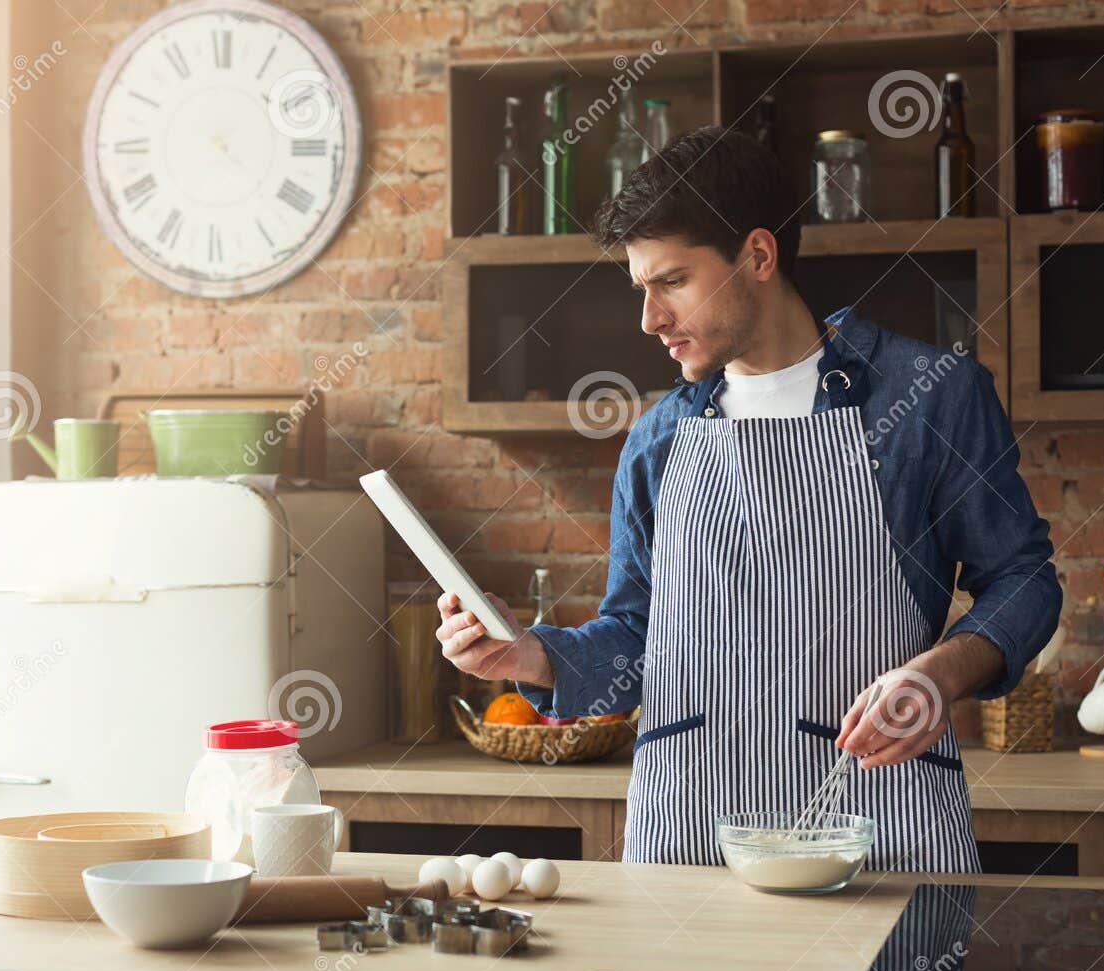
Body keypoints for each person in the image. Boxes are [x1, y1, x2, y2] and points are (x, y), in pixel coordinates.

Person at [437, 127, 1061, 872]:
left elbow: (1024, 579)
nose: (650, 319)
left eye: (671, 282)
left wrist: (940, 674)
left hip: (883, 833)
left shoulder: (928, 397)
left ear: (758, 256)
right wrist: (531, 657)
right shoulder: (659, 439)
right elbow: (638, 637)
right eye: (640, 289)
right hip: (690, 838)